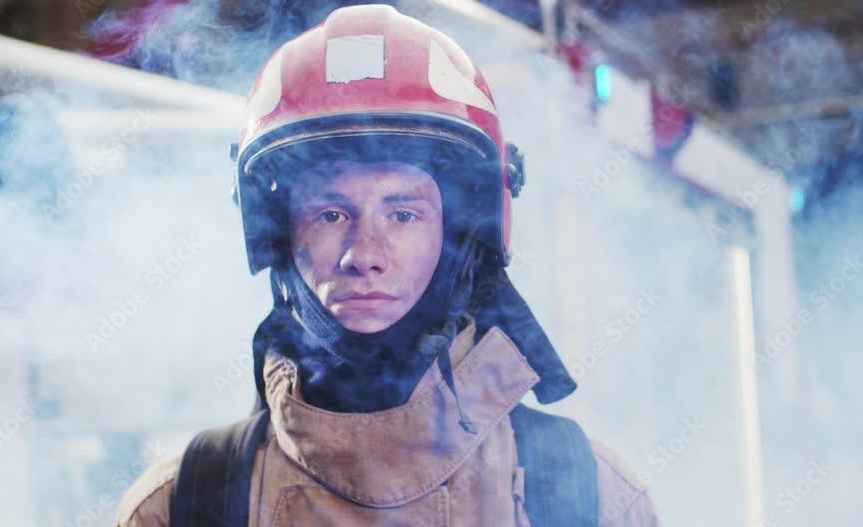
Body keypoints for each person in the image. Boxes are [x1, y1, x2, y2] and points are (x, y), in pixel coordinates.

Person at [115, 4, 659, 526]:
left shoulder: (593, 500)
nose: (363, 255)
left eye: (402, 213)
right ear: (278, 235)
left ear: (462, 234)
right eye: (329, 214)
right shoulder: (183, 506)